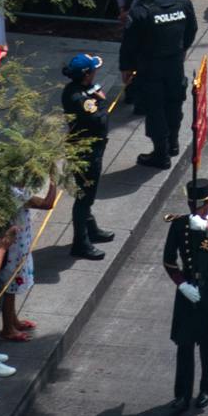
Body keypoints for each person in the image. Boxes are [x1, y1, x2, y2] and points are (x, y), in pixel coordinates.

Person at [163, 173, 208, 412]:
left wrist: (207, 225)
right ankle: (182, 394)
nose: (195, 210)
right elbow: (169, 260)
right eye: (191, 206)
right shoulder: (179, 224)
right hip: (188, 289)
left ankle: (206, 389)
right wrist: (182, 284)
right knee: (184, 344)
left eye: (200, 206)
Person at [120, 0, 196, 167]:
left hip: (151, 68)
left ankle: (161, 154)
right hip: (174, 65)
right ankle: (173, 143)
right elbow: (191, 31)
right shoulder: (182, 4)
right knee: (174, 104)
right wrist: (181, 49)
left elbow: (129, 43)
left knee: (155, 109)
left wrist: (126, 67)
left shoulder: (141, 12)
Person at [61, 53, 114, 261]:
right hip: (85, 151)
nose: (96, 73)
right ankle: (80, 243)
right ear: (85, 74)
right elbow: (99, 120)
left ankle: (90, 229)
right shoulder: (78, 97)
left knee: (87, 194)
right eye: (93, 70)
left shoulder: (81, 89)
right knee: (85, 197)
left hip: (91, 147)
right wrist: (101, 102)